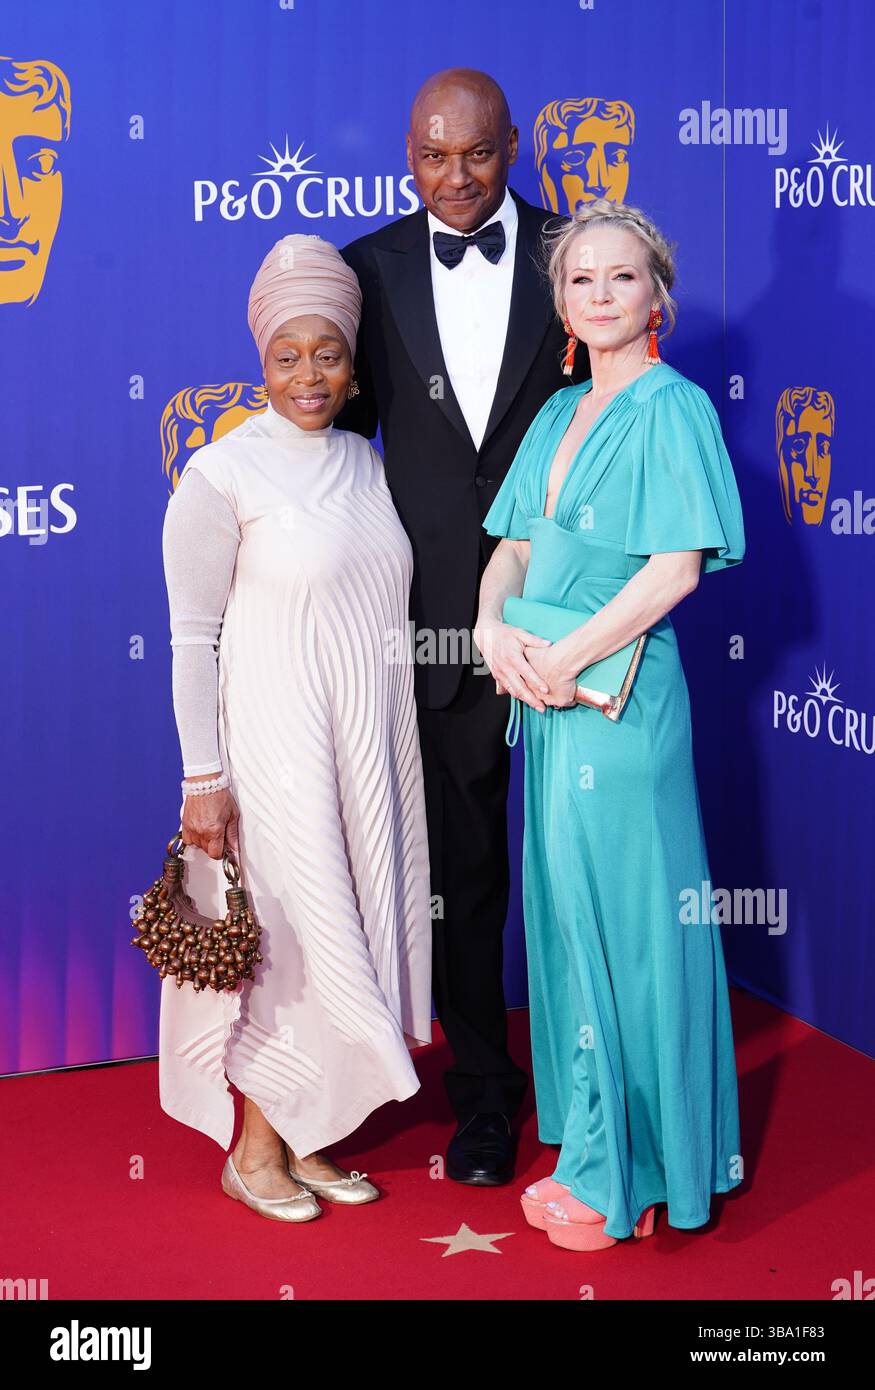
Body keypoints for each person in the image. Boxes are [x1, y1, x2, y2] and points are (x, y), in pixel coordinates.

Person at [475, 198, 745, 1248]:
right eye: (580, 279)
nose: (599, 294)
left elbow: (673, 570)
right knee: (567, 918)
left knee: (632, 928)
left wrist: (559, 655)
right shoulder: (555, 412)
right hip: (544, 693)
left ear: (656, 295)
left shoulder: (672, 409)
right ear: (560, 302)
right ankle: (600, 1143)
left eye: (620, 277)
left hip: (619, 703)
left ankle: (629, 1170)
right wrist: (490, 629)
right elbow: (511, 548)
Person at [336, 67, 590, 1186]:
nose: (453, 178)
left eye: (475, 154)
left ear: (514, 147)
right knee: (468, 877)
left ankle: (605, 1094)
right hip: (437, 631)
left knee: (585, 869)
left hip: (579, 614)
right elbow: (331, 437)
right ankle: (482, 1099)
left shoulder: (574, 256)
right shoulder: (366, 269)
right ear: (406, 150)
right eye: (431, 155)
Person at [158, 233, 432, 1222]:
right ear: (260, 360)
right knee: (292, 937)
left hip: (367, 741)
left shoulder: (366, 464)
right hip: (273, 751)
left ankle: (311, 1135)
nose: (308, 374)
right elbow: (192, 640)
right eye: (287, 355)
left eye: (327, 353)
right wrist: (203, 778)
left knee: (348, 924)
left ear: (353, 363)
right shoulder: (221, 475)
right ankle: (253, 1148)